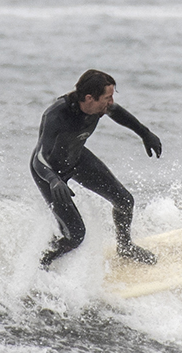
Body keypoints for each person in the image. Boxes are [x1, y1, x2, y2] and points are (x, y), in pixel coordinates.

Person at [30, 68, 162, 268]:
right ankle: (41, 263)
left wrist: (145, 133)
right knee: (75, 235)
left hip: (76, 159)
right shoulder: (56, 116)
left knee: (124, 201)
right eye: (107, 98)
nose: (111, 103)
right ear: (89, 98)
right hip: (49, 172)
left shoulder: (98, 107)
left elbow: (118, 113)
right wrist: (54, 180)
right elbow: (38, 158)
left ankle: (125, 247)